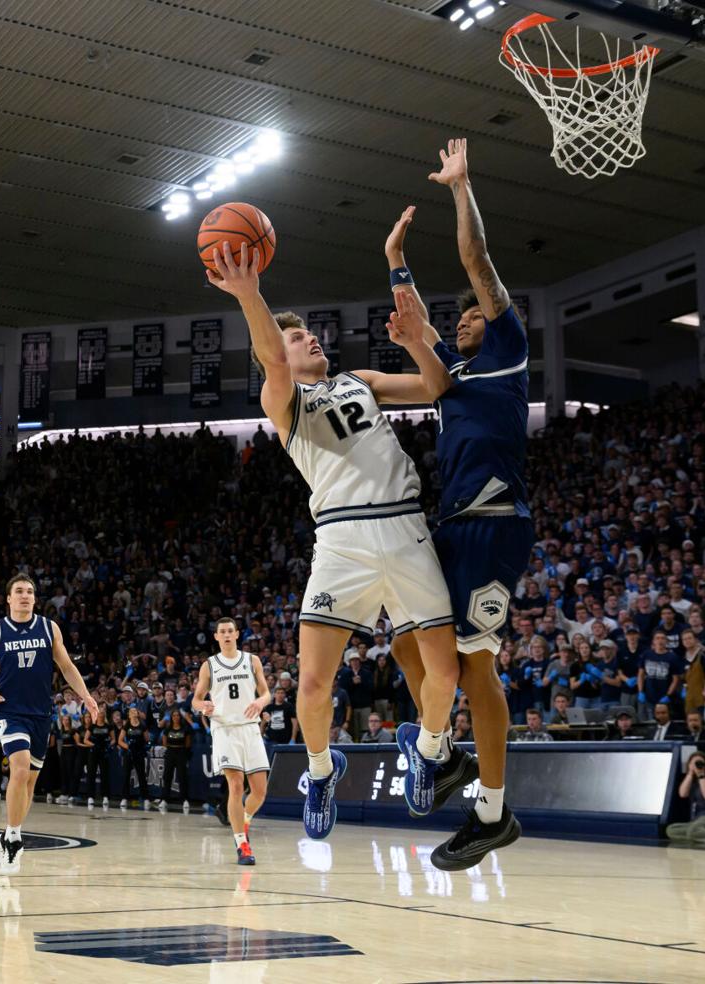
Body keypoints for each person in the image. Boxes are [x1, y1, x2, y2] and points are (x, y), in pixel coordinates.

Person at [206, 233, 459, 843]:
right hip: (341, 540)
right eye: (296, 337)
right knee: (314, 683)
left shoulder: (363, 379)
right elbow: (269, 357)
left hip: (404, 527)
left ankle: (428, 749)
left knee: (443, 676)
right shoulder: (283, 402)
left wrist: (416, 341)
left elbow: (437, 387)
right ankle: (321, 770)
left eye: (309, 333)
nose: (309, 338)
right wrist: (249, 294)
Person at [383, 142, 535, 870]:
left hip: (495, 523)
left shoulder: (506, 351)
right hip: (453, 528)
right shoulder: (455, 376)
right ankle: (440, 751)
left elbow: (478, 263)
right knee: (407, 644)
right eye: (462, 319)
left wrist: (461, 187)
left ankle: (493, 810)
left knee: (477, 667)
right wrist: (394, 263)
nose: (465, 317)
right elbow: (409, 344)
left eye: (471, 316)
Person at [0, 573, 98, 873]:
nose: (25, 595)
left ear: (34, 599)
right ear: (9, 599)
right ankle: (14, 838)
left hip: (41, 713)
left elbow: (66, 665)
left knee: (29, 783)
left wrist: (87, 696)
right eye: (19, 591)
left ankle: (7, 833)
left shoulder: (49, 628)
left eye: (29, 591)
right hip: (9, 711)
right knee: (20, 766)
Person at [193, 617, 273, 864]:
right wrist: (202, 706)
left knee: (260, 791)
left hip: (250, 728)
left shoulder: (252, 660)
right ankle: (242, 845)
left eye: (230, 631)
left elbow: (267, 693)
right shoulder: (209, 665)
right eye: (222, 632)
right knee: (236, 785)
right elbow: (195, 700)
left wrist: (261, 701)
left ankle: (244, 821)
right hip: (224, 729)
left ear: (237, 634)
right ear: (216, 637)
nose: (226, 635)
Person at [158, 708, 191, 810]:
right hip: (170, 753)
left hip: (181, 753)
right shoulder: (167, 729)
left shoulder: (185, 729)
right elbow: (164, 743)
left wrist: (183, 753)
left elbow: (188, 744)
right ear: (171, 718)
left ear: (180, 717)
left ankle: (184, 800)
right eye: (174, 716)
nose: (176, 717)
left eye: (177, 715)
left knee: (182, 777)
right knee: (167, 777)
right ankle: (164, 800)